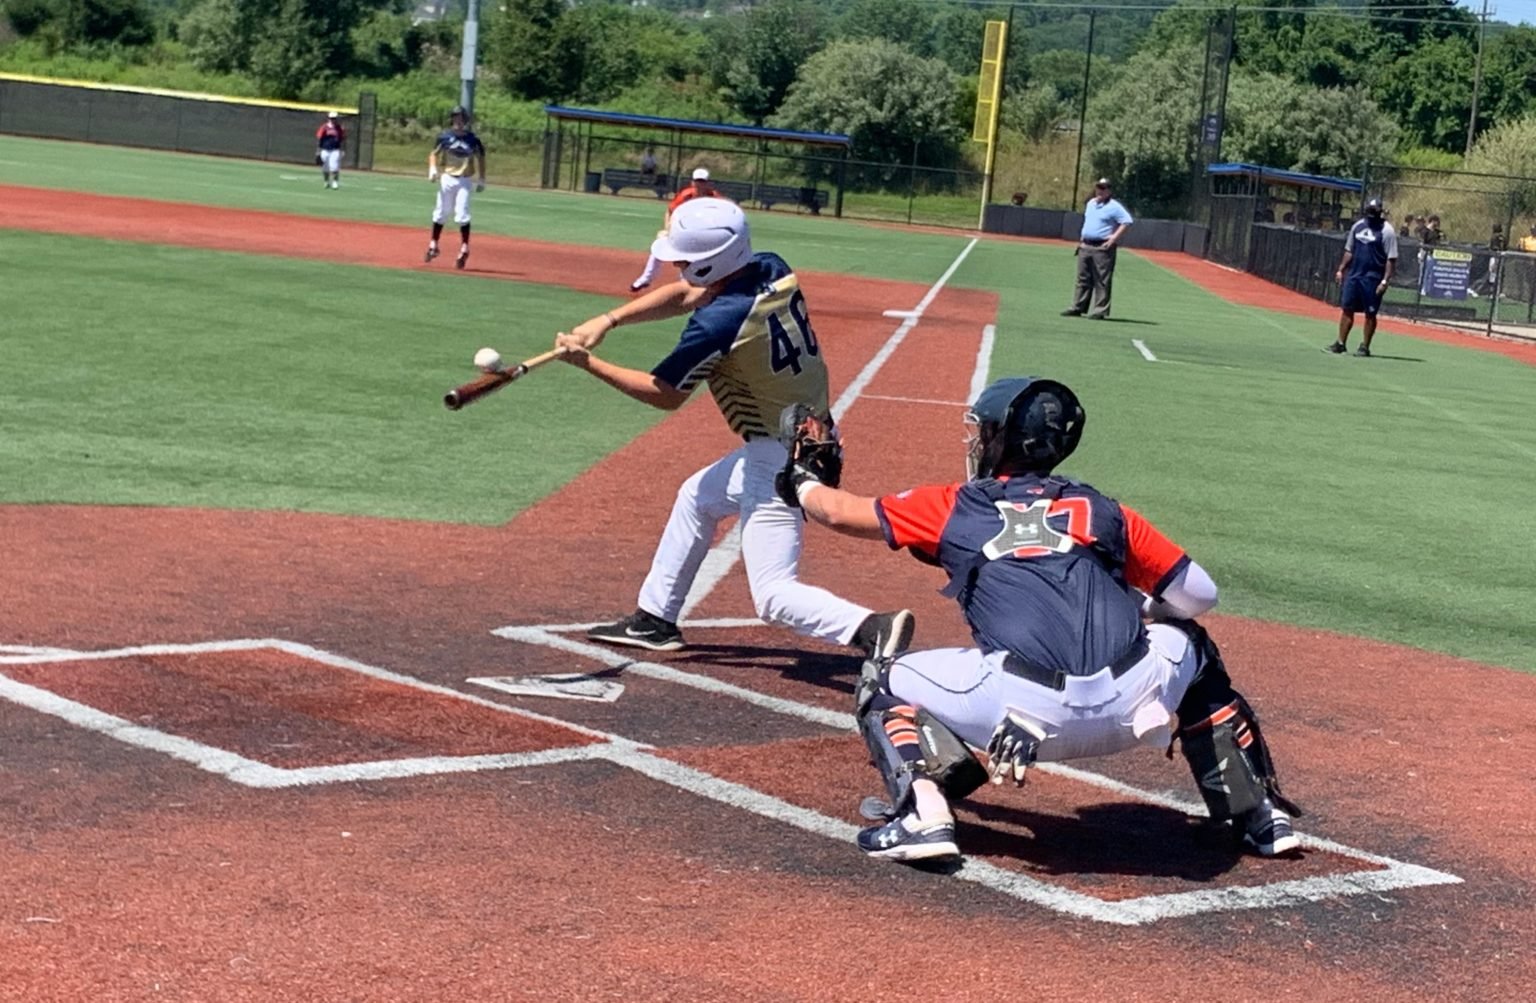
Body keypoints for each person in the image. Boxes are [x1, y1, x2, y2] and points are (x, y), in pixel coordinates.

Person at [775, 377, 1303, 864]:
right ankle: (1260, 815)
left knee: (884, 681)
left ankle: (924, 813)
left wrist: (801, 480)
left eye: (983, 431)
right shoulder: (1101, 508)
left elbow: (837, 511)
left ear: (1000, 440)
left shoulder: (954, 505)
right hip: (1137, 705)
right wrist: (1138, 610)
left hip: (1015, 715)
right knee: (1191, 644)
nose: (976, 440)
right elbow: (1200, 594)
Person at [552, 197, 913, 663]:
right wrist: (609, 320)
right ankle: (655, 619)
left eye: (685, 261)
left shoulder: (718, 324)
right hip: (808, 434)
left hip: (780, 456)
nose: (678, 266)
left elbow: (665, 393)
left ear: (710, 264)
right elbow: (689, 293)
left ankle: (870, 628)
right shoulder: (770, 267)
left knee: (773, 594)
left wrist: (588, 364)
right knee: (696, 497)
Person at [1327, 197, 1398, 358]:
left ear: (1380, 212)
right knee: (1347, 308)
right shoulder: (1358, 226)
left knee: (1370, 313)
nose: (1372, 214)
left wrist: (1385, 281)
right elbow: (1349, 250)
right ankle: (1340, 343)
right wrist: (1341, 269)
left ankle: (1365, 346)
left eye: (1375, 211)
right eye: (1370, 210)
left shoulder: (1387, 231)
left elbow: (1391, 258)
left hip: (1373, 278)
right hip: (1354, 275)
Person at [631, 167, 720, 293]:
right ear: (692, 182)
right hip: (683, 230)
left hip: (703, 234)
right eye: (697, 181)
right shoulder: (686, 195)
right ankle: (647, 278)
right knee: (660, 242)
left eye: (702, 181)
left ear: (708, 183)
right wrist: (667, 228)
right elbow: (670, 211)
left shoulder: (715, 199)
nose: (699, 184)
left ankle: (686, 282)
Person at [424, 105, 487, 271]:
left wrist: (482, 178)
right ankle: (433, 244)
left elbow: (481, 157)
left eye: (461, 118)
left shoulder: (473, 139)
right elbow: (433, 154)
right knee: (441, 212)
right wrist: (432, 168)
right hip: (447, 178)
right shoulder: (445, 137)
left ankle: (465, 247)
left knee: (462, 214)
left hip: (464, 179)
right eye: (455, 118)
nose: (458, 121)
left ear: (465, 120)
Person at [1062, 177, 1133, 320]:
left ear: (1109, 191)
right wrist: (1082, 240)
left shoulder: (1114, 206)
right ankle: (1078, 307)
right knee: (1083, 277)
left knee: (1101, 279)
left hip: (1102, 247)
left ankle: (1100, 310)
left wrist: (1113, 238)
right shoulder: (1091, 203)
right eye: (1098, 187)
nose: (1100, 190)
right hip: (1086, 245)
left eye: (1103, 188)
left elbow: (1127, 221)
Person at [315, 111, 346, 190]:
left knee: (334, 167)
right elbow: (319, 138)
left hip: (335, 150)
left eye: (334, 118)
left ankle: (335, 182)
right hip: (325, 149)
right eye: (331, 118)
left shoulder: (339, 128)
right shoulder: (324, 127)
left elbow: (342, 139)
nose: (333, 120)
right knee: (325, 168)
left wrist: (343, 150)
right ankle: (326, 181)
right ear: (328, 118)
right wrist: (318, 150)